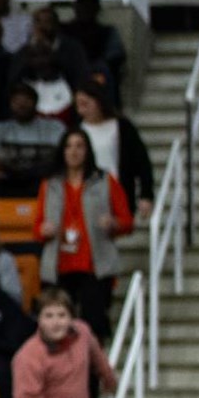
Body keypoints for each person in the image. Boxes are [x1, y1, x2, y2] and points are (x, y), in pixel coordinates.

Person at [38, 127, 135, 340]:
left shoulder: (105, 180)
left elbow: (127, 222)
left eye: (79, 146)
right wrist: (43, 230)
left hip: (95, 265)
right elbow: (37, 228)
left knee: (93, 324)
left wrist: (113, 223)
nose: (74, 151)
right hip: (60, 264)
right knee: (60, 329)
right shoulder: (50, 184)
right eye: (69, 146)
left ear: (88, 150)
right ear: (62, 151)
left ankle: (93, 370)